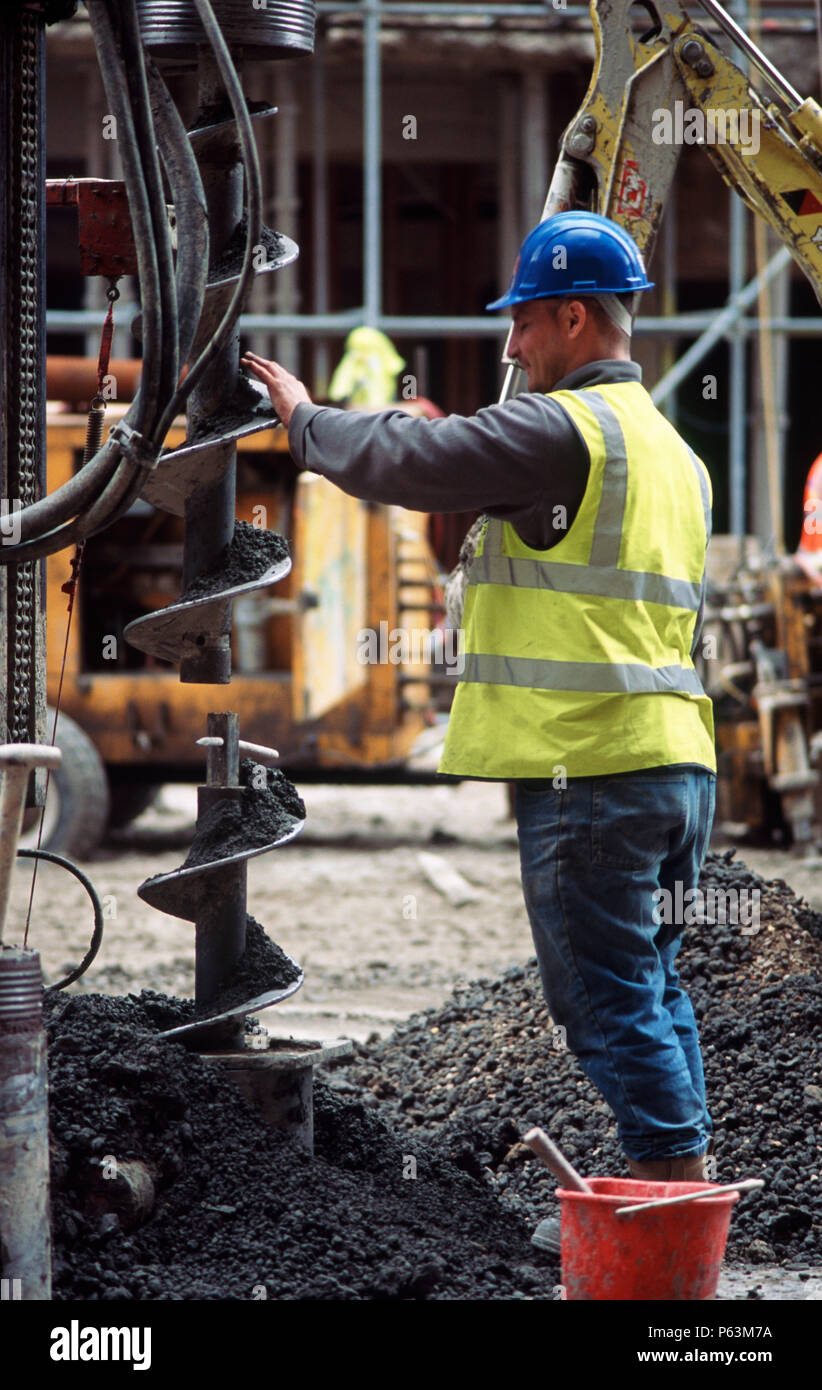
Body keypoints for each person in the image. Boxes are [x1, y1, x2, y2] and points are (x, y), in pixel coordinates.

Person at [243, 211, 717, 1249]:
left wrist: (307, 421)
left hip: (586, 763)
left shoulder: (561, 430)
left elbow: (420, 465)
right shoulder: (672, 451)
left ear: (574, 316)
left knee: (600, 996)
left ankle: (670, 1208)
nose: (511, 347)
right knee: (651, 982)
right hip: (676, 764)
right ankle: (681, 1177)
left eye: (524, 327)